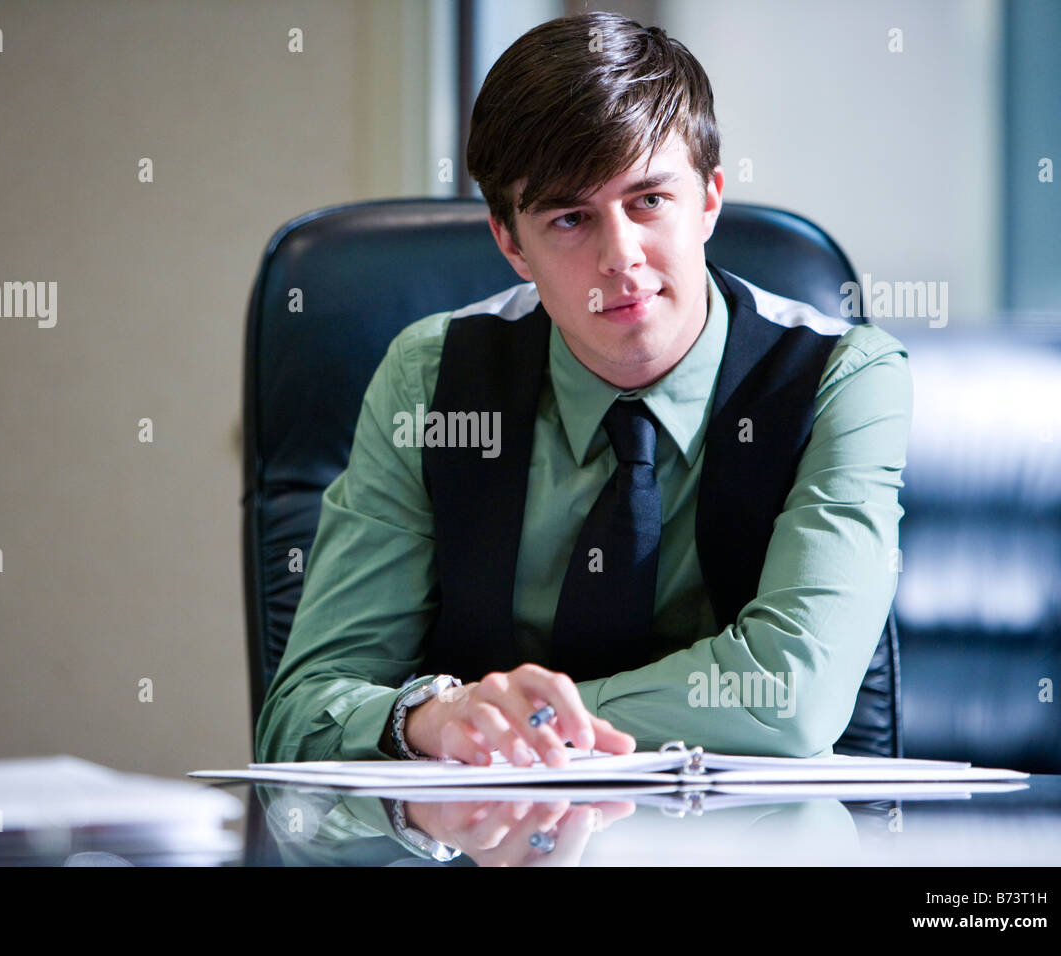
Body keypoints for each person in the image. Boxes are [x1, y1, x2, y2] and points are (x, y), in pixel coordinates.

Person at [254, 11, 912, 772]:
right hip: (488, 848)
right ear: (510, 243)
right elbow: (302, 717)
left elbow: (790, 697)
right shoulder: (431, 383)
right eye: (570, 218)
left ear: (709, 199)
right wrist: (431, 719)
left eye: (649, 201)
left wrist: (509, 726)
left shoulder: (843, 378)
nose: (621, 258)